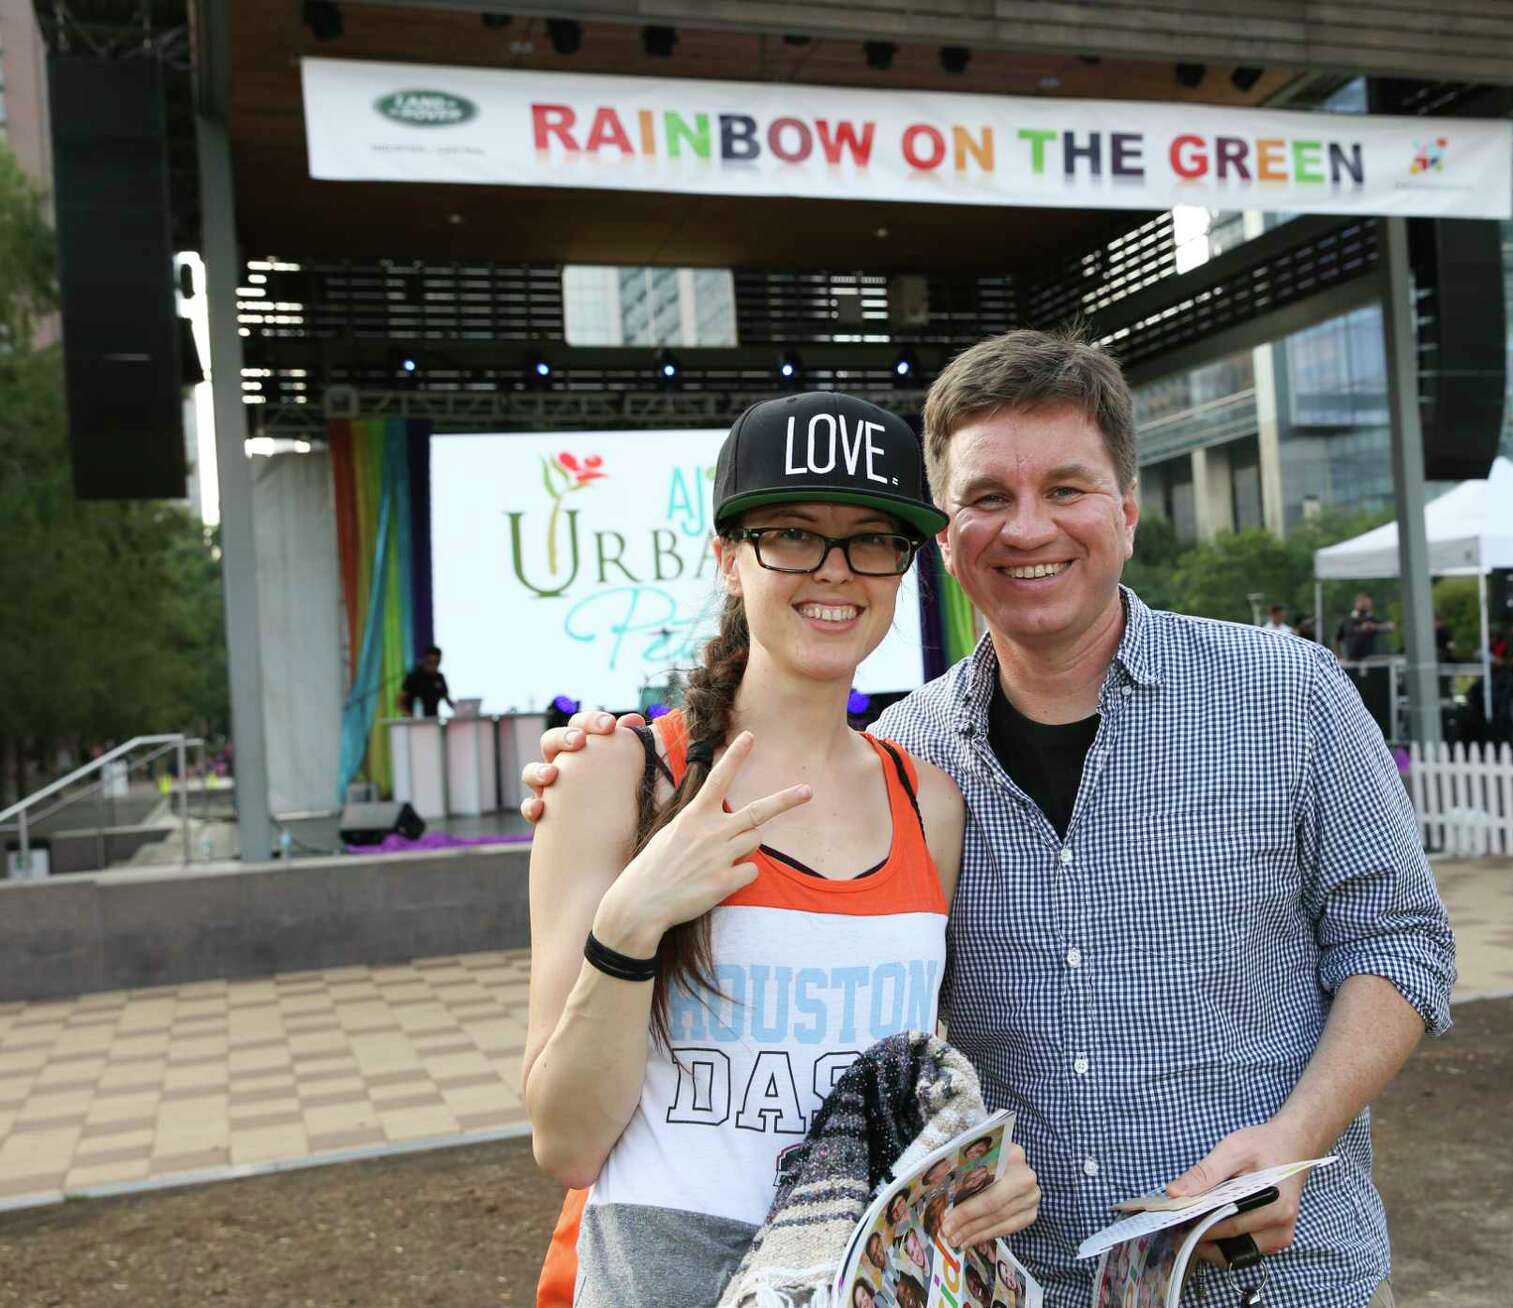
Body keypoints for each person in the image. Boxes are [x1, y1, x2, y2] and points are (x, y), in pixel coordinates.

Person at [526, 331, 1454, 1308]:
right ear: (947, 542)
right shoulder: (917, 756)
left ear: (1128, 514)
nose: (1026, 530)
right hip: (1033, 1282)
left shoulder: (1285, 693)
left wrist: (1296, 1139)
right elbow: (895, 1056)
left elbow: (1401, 944)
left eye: (1065, 489)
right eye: (987, 499)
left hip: (1283, 1279)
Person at [520, 393, 1037, 1307]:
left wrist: (978, 1169)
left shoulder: (931, 803)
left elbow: (909, 1077)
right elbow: (565, 1142)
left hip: (869, 1275)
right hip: (664, 1275)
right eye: (793, 534)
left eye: (872, 539)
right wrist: (631, 922)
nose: (835, 572)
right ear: (728, 559)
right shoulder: (619, 773)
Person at [1335, 593, 1394, 661]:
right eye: (1363, 604)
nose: (1366, 606)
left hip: (1371, 661)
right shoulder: (1346, 621)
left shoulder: (1372, 619)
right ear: (1356, 603)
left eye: (1368, 604)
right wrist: (1338, 656)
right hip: (1351, 662)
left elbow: (1390, 626)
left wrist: (1374, 627)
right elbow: (1337, 639)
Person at [398, 646, 450, 716]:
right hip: (414, 721)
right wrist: (409, 715)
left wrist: (460, 709)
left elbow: (446, 698)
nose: (433, 665)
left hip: (433, 720)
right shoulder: (414, 676)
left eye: (436, 662)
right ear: (425, 660)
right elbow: (399, 701)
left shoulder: (439, 677)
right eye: (430, 662)